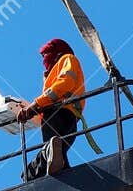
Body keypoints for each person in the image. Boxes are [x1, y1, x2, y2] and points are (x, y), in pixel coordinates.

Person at [15, 38, 85, 179]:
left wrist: (36, 105)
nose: (43, 60)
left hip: (56, 113)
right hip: (71, 118)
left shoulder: (67, 59)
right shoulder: (53, 73)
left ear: (56, 52)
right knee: (58, 156)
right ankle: (67, 179)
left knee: (51, 150)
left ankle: (29, 176)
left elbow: (64, 83)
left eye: (45, 55)